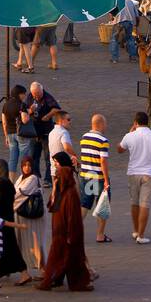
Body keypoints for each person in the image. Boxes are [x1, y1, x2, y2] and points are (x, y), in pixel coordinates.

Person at [36, 155, 93, 291]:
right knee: (64, 257)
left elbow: (72, 217)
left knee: (68, 258)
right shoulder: (62, 192)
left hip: (67, 232)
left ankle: (56, 280)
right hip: (61, 231)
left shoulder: (71, 194)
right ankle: (56, 280)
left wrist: (71, 235)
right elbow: (52, 206)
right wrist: (55, 188)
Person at [118, 110, 151, 244]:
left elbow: (119, 149)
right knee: (145, 205)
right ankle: (141, 236)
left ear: (135, 123)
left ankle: (135, 231)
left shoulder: (130, 136)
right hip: (150, 174)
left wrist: (130, 132)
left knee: (134, 203)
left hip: (133, 173)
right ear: (148, 122)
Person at [0, 159, 27, 278]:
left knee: (3, 248)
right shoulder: (7, 183)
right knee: (11, 248)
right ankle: (23, 273)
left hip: (1, 221)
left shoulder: (0, 185)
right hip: (7, 218)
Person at [79, 114, 111, 244]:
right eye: (106, 123)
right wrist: (106, 180)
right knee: (102, 205)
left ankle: (73, 230)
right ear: (101, 124)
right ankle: (100, 235)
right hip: (98, 177)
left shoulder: (84, 138)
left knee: (85, 204)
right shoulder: (103, 140)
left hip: (86, 176)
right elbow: (103, 160)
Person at [13, 156, 45, 282]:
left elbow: (19, 194)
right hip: (23, 217)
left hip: (32, 218)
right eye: (25, 165)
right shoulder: (21, 178)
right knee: (28, 244)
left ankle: (44, 269)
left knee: (35, 243)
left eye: (29, 165)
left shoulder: (32, 178)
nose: (27, 168)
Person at [2, 83, 27, 175]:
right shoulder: (22, 105)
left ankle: (11, 180)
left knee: (12, 158)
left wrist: (6, 136)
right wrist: (29, 112)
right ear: (19, 94)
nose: (25, 96)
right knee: (23, 157)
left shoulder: (6, 105)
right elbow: (24, 120)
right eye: (24, 93)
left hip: (9, 133)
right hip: (20, 133)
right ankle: (23, 177)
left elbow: (4, 122)